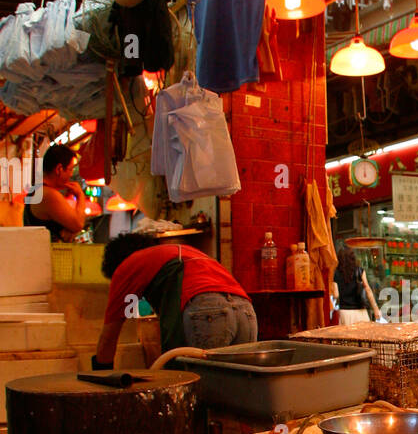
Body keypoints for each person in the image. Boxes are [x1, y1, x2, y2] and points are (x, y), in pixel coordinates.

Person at [94, 233, 257, 366]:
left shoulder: (126, 268)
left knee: (197, 390)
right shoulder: (181, 251)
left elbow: (109, 338)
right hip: (246, 311)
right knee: (236, 388)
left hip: (209, 313)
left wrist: (101, 379)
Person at [24, 143, 87, 240]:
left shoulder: (36, 191)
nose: (71, 175)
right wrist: (80, 196)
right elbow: (78, 224)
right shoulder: (48, 195)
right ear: (59, 169)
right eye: (71, 169)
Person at [332, 244, 381, 325]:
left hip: (345, 313)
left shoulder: (336, 273)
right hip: (361, 313)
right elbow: (367, 289)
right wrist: (376, 309)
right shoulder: (359, 271)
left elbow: (335, 294)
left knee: (346, 337)